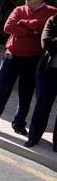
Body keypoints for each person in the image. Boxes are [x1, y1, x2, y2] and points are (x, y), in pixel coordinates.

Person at [0, 0, 57, 136]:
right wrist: (33, 30)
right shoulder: (19, 9)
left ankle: (19, 124)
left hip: (33, 60)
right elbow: (8, 27)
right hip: (11, 57)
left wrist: (24, 24)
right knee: (0, 90)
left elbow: (43, 28)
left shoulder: (52, 12)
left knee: (25, 94)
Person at [25, 13, 57, 151]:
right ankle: (33, 137)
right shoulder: (53, 21)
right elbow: (46, 43)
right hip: (48, 72)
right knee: (42, 105)